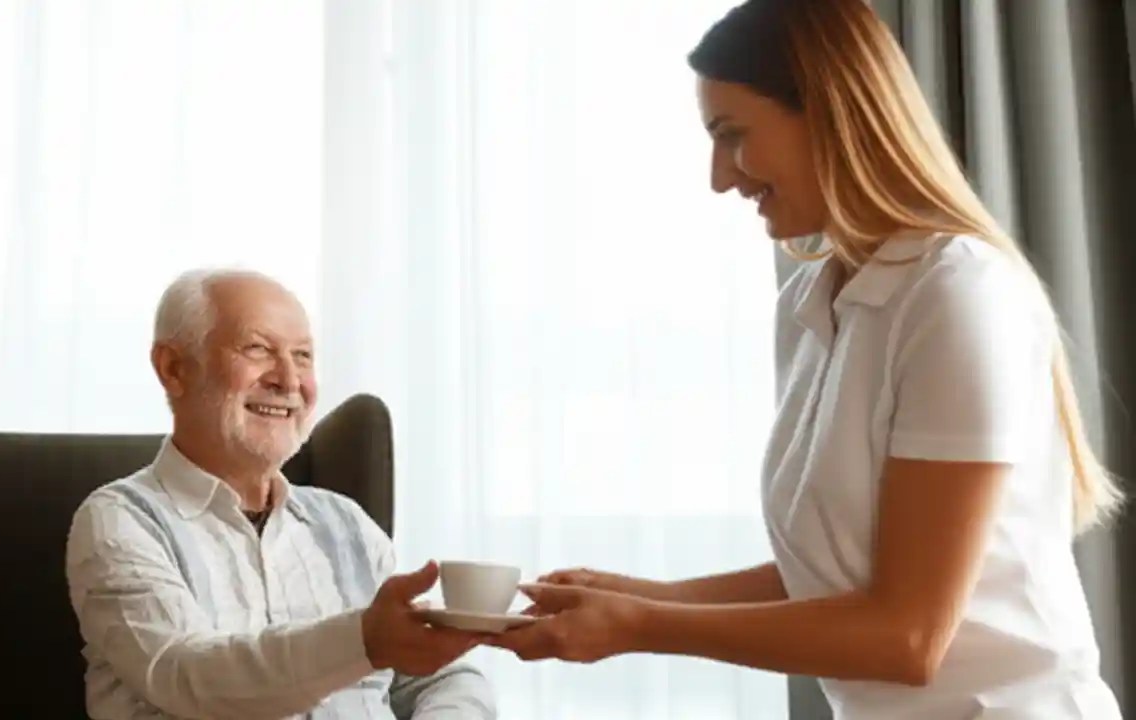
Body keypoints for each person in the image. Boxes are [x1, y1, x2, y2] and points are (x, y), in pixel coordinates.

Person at [487, 0, 1124, 717]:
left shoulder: (957, 294)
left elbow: (907, 637)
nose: (720, 177)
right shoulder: (816, 306)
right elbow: (831, 576)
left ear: (829, 113)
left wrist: (641, 625)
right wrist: (633, 596)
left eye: (732, 137)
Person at [66, 269, 496, 719]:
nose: (289, 380)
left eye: (304, 356)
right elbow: (186, 675)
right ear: (174, 369)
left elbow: (447, 677)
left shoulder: (345, 523)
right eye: (258, 349)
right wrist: (363, 641)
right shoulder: (120, 520)